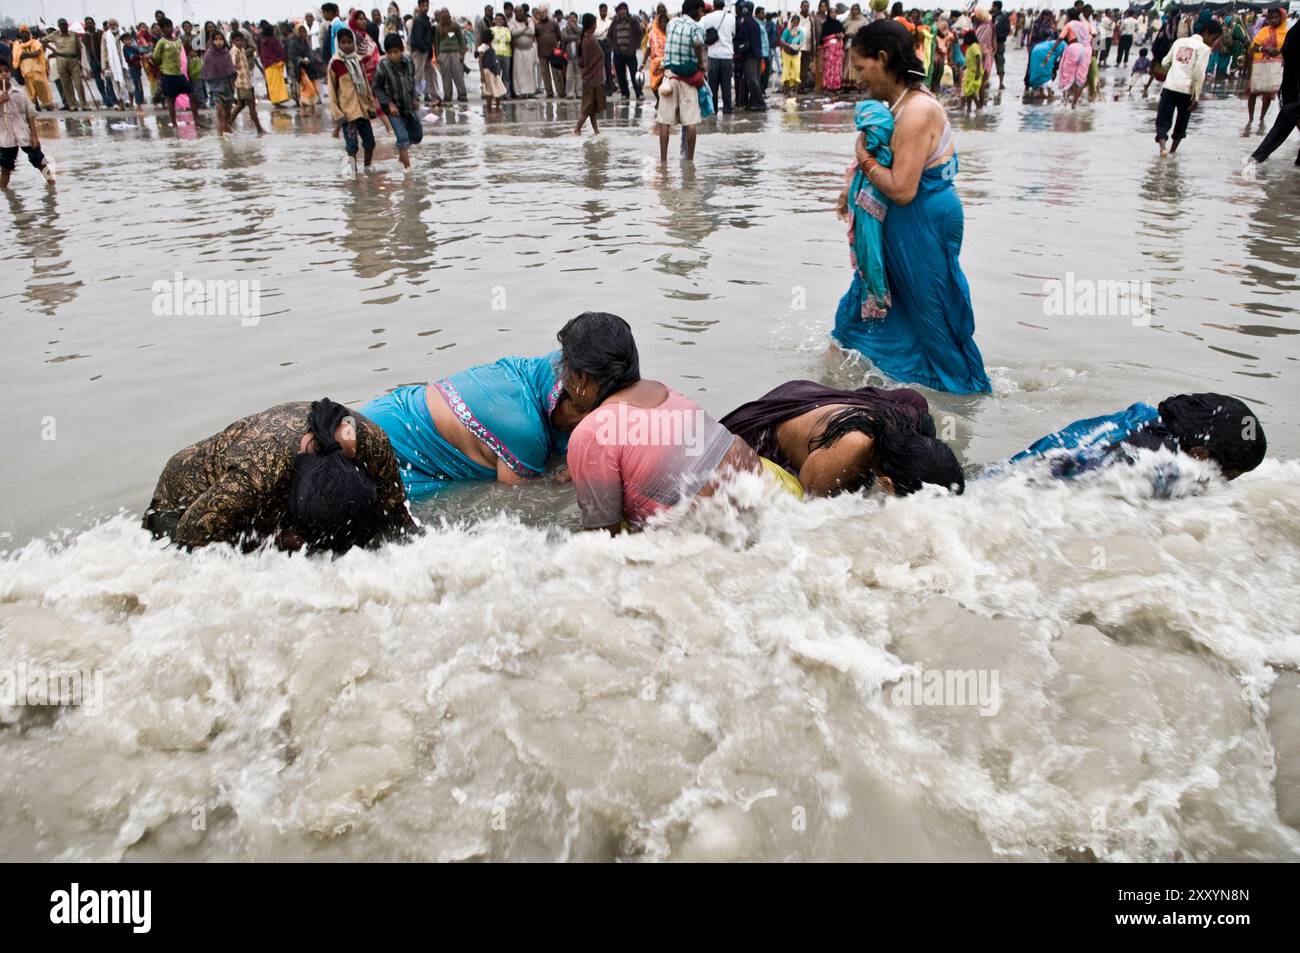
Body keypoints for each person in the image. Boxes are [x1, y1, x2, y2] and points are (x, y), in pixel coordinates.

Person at [832, 21, 990, 395]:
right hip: (907, 222)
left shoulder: (917, 110)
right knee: (855, 319)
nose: (856, 77)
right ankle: (870, 395)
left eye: (860, 67)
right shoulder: (898, 107)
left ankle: (962, 400)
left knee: (932, 319)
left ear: (883, 59)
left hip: (924, 222)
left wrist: (864, 161)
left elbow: (902, 188)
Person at [560, 313, 786, 532]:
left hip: (705, 527)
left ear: (581, 377)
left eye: (564, 366)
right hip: (760, 487)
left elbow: (602, 539)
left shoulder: (590, 432)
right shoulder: (660, 389)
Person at [143, 399, 415, 552]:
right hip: (185, 504)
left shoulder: (374, 444)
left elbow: (397, 518)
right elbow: (190, 534)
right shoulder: (256, 476)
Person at [360, 351, 585, 496]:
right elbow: (517, 502)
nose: (585, 421)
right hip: (386, 446)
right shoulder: (526, 430)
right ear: (555, 398)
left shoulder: (540, 370)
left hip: (378, 416)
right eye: (579, 409)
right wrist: (564, 479)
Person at [720, 381, 963, 496]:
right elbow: (806, 515)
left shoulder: (915, 422)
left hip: (811, 397)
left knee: (915, 400)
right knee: (792, 497)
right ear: (886, 483)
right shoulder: (848, 450)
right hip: (764, 426)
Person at [1007, 393, 1266, 483]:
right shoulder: (1148, 463)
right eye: (1230, 476)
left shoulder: (1149, 418)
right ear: (1199, 453)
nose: (1226, 483)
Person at [1242, 15, 1299, 175]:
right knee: (1284, 123)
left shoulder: (1291, 32)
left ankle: (1257, 159)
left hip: (1290, 89)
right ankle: (1255, 159)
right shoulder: (1293, 33)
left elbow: (1285, 53)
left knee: (1284, 123)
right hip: (1293, 90)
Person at [1155, 17, 1218, 157]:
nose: (1212, 42)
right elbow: (1198, 74)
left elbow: (1165, 63)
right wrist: (1196, 97)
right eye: (1213, 38)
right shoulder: (1204, 49)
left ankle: (1163, 148)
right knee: (1182, 122)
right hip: (1187, 90)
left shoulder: (1179, 42)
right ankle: (1172, 152)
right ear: (1206, 33)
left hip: (1170, 86)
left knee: (1163, 120)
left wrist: (1175, 69)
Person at [657, 0, 707, 161]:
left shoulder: (672, 23)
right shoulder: (696, 27)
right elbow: (698, 42)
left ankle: (663, 160)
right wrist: (700, 63)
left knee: (664, 121)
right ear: (696, 10)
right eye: (701, 11)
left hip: (669, 77)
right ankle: (690, 161)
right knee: (690, 122)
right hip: (688, 78)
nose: (702, 14)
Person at [329, 29, 378, 174]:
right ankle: (353, 172)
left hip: (362, 110)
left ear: (354, 43)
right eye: (343, 42)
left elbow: (365, 85)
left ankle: (367, 167)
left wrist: (371, 105)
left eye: (349, 42)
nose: (346, 45)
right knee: (352, 146)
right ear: (338, 44)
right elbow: (332, 91)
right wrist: (337, 113)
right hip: (347, 112)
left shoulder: (358, 60)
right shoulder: (335, 63)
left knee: (370, 143)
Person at [0, 59, 55, 188]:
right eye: (0, 72)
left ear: (10, 73)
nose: (3, 74)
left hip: (24, 133)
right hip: (5, 138)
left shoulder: (19, 93)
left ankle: (52, 185)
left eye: (6, 71)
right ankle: (4, 191)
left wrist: (35, 136)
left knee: (39, 160)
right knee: (6, 167)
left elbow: (30, 115)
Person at [374, 34, 424, 168]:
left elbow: (411, 81)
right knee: (402, 137)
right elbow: (376, 88)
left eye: (395, 52)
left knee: (417, 135)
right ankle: (408, 170)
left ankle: (403, 152)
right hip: (392, 109)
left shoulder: (408, 62)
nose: (392, 56)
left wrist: (414, 98)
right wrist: (389, 104)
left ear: (401, 50)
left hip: (407, 105)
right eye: (389, 52)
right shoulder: (382, 67)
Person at [153, 19, 201, 124]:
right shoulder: (161, 42)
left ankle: (196, 120)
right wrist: (161, 69)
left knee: (192, 95)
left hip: (179, 73)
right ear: (162, 30)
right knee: (171, 99)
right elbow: (155, 58)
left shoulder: (178, 41)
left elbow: (183, 53)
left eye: (170, 27)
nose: (169, 29)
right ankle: (174, 123)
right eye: (166, 27)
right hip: (168, 74)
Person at [1247, 7, 1288, 126]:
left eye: (1276, 17)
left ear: (1282, 18)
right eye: (1271, 18)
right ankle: (1250, 119)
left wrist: (1278, 51)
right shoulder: (1264, 30)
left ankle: (1261, 119)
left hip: (1275, 66)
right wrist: (1264, 49)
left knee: (1269, 94)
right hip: (1260, 64)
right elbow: (1253, 46)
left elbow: (1289, 49)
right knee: (1253, 92)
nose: (1274, 20)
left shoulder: (1286, 32)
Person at [573, 13, 606, 135]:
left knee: (591, 109)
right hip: (592, 79)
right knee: (587, 108)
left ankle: (596, 131)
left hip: (590, 78)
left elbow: (584, 61)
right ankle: (577, 129)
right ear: (593, 25)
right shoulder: (590, 40)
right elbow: (597, 56)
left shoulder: (585, 39)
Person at [228, 31, 266, 133]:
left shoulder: (242, 51)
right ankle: (259, 128)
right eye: (237, 40)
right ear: (232, 41)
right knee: (250, 105)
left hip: (247, 81)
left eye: (241, 40)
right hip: (241, 82)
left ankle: (228, 125)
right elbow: (232, 67)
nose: (239, 42)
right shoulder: (234, 52)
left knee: (241, 105)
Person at [702, 0, 737, 114]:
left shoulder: (707, 17)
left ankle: (713, 110)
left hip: (713, 55)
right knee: (726, 86)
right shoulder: (731, 18)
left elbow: (702, 32)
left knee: (713, 86)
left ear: (714, 6)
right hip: (727, 55)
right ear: (723, 6)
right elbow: (733, 33)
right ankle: (727, 110)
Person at [202, 32, 237, 134]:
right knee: (219, 111)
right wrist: (212, 86)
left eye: (221, 39)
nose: (219, 41)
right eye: (216, 39)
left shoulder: (226, 52)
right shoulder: (208, 55)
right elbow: (207, 72)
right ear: (212, 41)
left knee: (227, 111)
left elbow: (231, 70)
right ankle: (220, 134)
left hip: (228, 85)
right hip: (216, 86)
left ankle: (226, 128)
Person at [1056, 8, 1092, 108]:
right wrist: (1095, 52)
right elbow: (1095, 36)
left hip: (1074, 50)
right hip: (1086, 51)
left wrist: (1050, 52)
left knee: (1066, 74)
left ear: (1069, 16)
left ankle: (1065, 100)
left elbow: (1060, 38)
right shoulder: (1086, 24)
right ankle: (1074, 104)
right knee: (1080, 78)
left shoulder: (1069, 24)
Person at [608, 3, 644, 100]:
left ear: (627, 10)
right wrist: (613, 47)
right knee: (620, 75)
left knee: (634, 75)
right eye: (621, 9)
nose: (622, 11)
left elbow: (640, 33)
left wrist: (635, 46)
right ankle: (624, 93)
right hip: (618, 53)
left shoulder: (633, 21)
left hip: (630, 53)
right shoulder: (614, 22)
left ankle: (639, 93)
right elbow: (609, 36)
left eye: (624, 9)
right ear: (618, 11)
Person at [409, 0, 440, 104]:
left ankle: (435, 96)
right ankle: (412, 98)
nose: (425, 7)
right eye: (423, 6)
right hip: (419, 51)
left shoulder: (426, 20)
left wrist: (429, 51)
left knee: (431, 73)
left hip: (425, 51)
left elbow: (428, 37)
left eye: (427, 5)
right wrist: (424, 50)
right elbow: (418, 38)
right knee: (417, 75)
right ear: (419, 6)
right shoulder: (419, 20)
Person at [510, 5, 539, 97]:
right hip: (518, 50)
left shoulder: (529, 20)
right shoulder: (512, 22)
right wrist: (525, 28)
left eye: (520, 10)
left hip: (529, 50)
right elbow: (513, 33)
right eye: (517, 11)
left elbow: (532, 32)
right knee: (518, 72)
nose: (519, 12)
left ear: (523, 11)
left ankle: (530, 92)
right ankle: (520, 92)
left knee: (529, 71)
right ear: (514, 12)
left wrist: (521, 31)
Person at [1026, 34, 1064, 100]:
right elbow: (1061, 60)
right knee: (1047, 73)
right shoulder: (1064, 46)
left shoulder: (1051, 43)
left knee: (1038, 70)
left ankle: (1040, 91)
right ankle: (1049, 94)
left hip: (1035, 50)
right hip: (1045, 53)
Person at [477, 25, 508, 107]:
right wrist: (482, 75)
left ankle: (496, 106)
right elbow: (480, 61)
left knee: (497, 88)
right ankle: (490, 108)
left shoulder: (490, 46)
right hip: (487, 71)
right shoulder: (483, 48)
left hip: (494, 70)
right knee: (489, 90)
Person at [780, 15, 805, 94]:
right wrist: (789, 45)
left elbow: (802, 42)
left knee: (796, 71)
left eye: (797, 23)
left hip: (796, 54)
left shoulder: (800, 32)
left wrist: (797, 46)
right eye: (794, 22)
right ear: (791, 22)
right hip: (786, 53)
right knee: (786, 71)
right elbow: (782, 40)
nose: (795, 24)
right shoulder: (787, 31)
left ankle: (795, 91)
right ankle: (786, 90)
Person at [960, 29, 982, 110]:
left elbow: (978, 57)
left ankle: (978, 106)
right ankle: (969, 108)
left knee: (971, 90)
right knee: (968, 91)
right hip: (969, 71)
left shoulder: (974, 46)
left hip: (974, 72)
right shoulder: (970, 47)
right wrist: (965, 66)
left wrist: (978, 72)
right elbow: (970, 59)